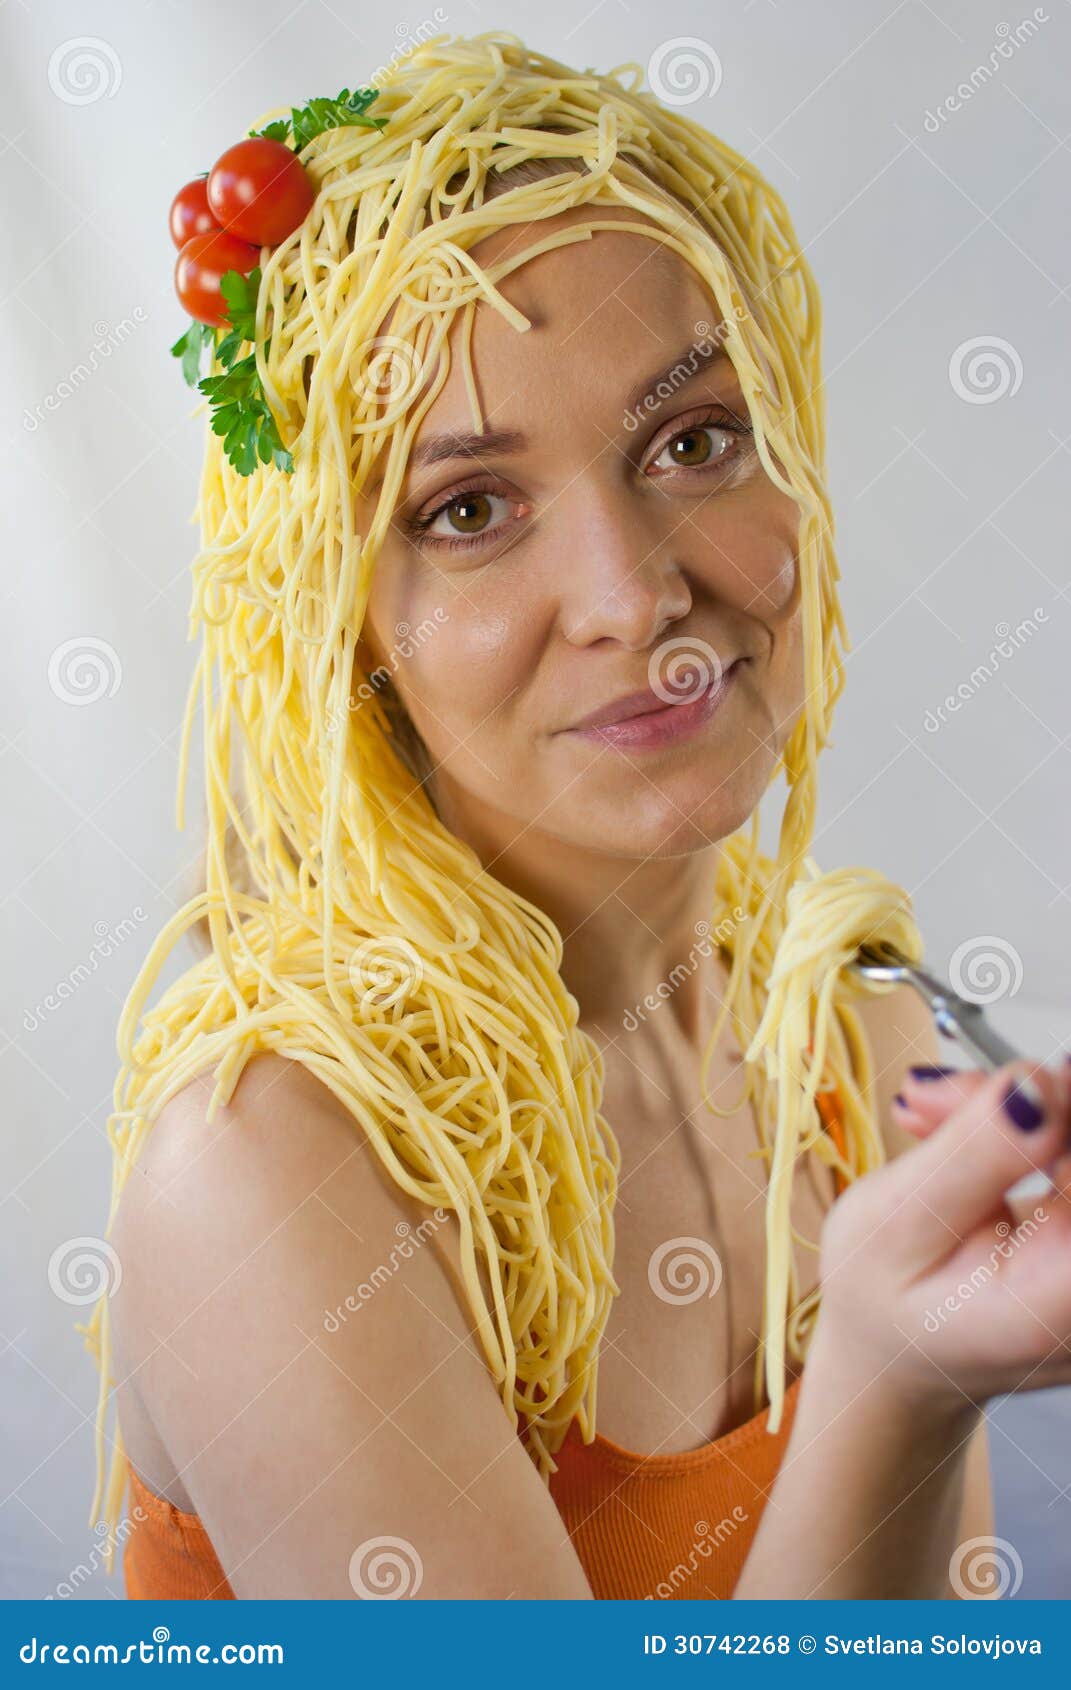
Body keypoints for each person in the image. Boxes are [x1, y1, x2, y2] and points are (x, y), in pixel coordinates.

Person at [87, 33, 1071, 1601]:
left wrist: (920, 1355)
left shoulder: (857, 1043)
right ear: (336, 625)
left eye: (691, 441)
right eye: (469, 508)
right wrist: (902, 1373)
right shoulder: (271, 1162)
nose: (634, 595)